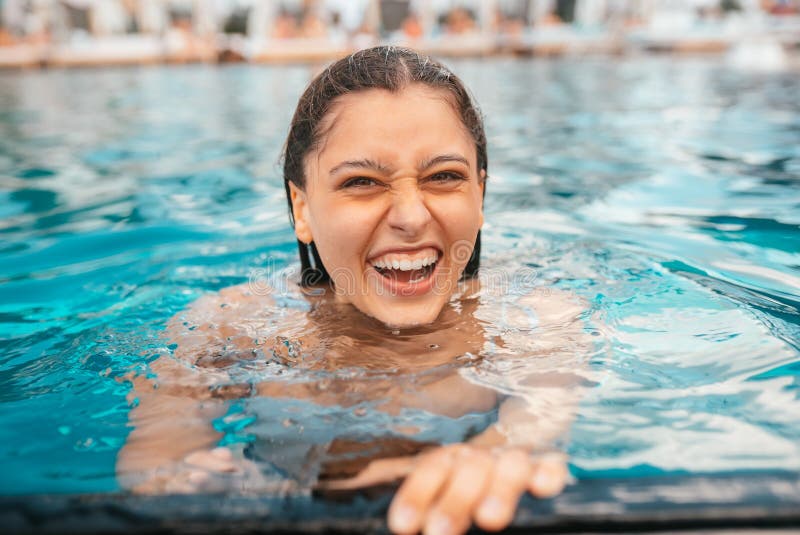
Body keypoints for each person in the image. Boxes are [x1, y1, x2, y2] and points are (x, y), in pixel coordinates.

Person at [118, 46, 587, 535]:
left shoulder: (538, 323)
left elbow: (535, 425)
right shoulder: (226, 329)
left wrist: (489, 459)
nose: (410, 217)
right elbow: (155, 462)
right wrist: (190, 484)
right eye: (362, 181)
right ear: (302, 208)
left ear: (481, 193)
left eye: (444, 177)